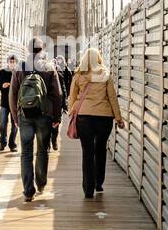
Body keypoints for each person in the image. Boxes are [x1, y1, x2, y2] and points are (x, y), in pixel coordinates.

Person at [67, 46, 125, 199]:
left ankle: (88, 189)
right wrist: (118, 118)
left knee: (87, 152)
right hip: (104, 118)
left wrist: (71, 111)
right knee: (100, 149)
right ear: (99, 59)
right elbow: (112, 98)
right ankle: (99, 182)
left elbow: (72, 97)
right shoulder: (105, 75)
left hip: (84, 118)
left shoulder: (79, 75)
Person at [9, 38, 63, 202]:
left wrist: (15, 116)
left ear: (28, 49)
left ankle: (28, 190)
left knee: (26, 152)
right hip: (44, 115)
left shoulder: (20, 67)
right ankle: (41, 183)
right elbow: (57, 94)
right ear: (42, 49)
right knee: (42, 150)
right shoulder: (48, 67)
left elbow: (13, 94)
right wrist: (57, 117)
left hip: (24, 115)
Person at [0, 55, 18, 152]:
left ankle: (12, 144)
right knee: (2, 124)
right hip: (4, 103)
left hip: (15, 104)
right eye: (10, 61)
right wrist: (2, 85)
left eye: (14, 61)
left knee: (15, 124)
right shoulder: (2, 72)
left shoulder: (19, 73)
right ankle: (2, 142)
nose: (12, 63)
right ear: (8, 62)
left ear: (16, 63)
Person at [51, 55, 70, 151]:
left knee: (56, 124)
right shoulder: (44, 74)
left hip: (57, 104)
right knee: (46, 125)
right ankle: (47, 145)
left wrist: (65, 105)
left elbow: (63, 89)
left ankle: (54, 140)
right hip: (47, 105)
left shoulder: (60, 75)